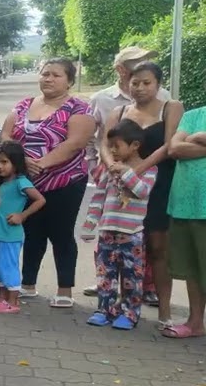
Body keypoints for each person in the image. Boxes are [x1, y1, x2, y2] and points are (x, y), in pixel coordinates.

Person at [88, 61, 182, 326]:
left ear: (158, 84)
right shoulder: (119, 111)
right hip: (120, 188)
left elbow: (169, 145)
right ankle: (115, 304)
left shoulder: (171, 107)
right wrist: (112, 168)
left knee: (157, 247)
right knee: (118, 249)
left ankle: (164, 312)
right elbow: (105, 144)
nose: (139, 88)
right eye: (135, 82)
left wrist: (136, 170)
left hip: (158, 182)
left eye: (146, 82)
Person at [1, 58, 95, 308]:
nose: (48, 79)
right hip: (27, 183)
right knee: (32, 232)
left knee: (61, 234)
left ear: (70, 81)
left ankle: (65, 289)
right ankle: (28, 283)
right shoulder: (24, 105)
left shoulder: (79, 109)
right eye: (45, 74)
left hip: (65, 182)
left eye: (56, 75)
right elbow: (5, 135)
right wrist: (21, 160)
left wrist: (41, 163)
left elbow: (74, 143)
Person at [80, 120, 156, 330]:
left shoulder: (148, 170)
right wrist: (90, 224)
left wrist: (125, 172)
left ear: (135, 146)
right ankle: (104, 310)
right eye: (110, 146)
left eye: (117, 146)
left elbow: (142, 191)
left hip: (132, 235)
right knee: (105, 275)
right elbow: (98, 197)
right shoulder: (108, 171)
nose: (112, 150)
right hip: (107, 232)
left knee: (132, 277)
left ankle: (130, 314)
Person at [0, 141, 46, 314]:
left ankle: (13, 301)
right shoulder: (1, 182)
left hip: (10, 234)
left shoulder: (21, 182)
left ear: (16, 163)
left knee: (8, 266)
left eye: (4, 162)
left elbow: (40, 200)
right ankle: (2, 297)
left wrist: (22, 216)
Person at [88, 46, 170, 168]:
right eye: (139, 62)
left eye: (148, 61)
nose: (146, 66)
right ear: (120, 69)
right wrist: (93, 165)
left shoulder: (163, 95)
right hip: (114, 174)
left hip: (158, 173)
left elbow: (171, 139)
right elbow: (90, 138)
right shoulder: (100, 99)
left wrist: (137, 171)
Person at [164, 104, 206, 339]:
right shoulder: (193, 115)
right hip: (186, 204)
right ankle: (195, 322)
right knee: (193, 267)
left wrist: (198, 138)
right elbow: (175, 148)